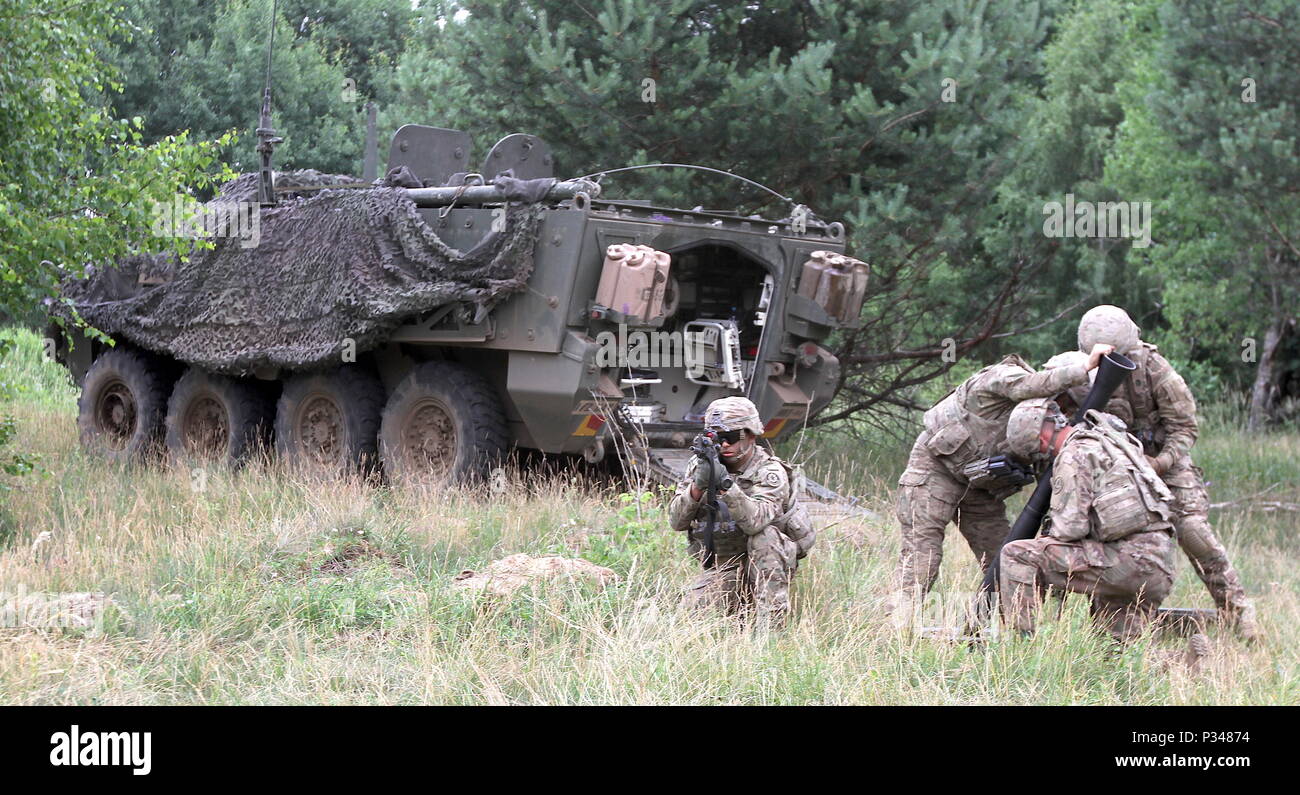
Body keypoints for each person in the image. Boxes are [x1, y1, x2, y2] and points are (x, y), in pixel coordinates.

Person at [885, 342, 1115, 623]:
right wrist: (1084, 368)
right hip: (936, 470)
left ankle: (1002, 637)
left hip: (981, 489)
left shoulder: (1048, 421)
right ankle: (897, 632)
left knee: (1007, 562)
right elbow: (1029, 386)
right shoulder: (1005, 378)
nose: (1063, 411)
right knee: (923, 558)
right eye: (1065, 401)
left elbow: (1053, 480)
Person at [1074, 305, 1258, 640]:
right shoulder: (1076, 370)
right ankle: (1110, 621)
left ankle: (1237, 609)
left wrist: (1158, 464)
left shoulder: (1154, 369)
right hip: (1112, 470)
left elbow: (1184, 428)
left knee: (1192, 529)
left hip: (1164, 463)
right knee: (1106, 536)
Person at [998, 398, 1177, 642]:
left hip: (1126, 562)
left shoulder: (1074, 454)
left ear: (1040, 441)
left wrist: (1046, 539)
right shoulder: (1111, 442)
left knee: (1017, 555)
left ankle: (1021, 648)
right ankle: (1187, 663)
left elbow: (1070, 528)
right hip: (1157, 565)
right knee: (1116, 659)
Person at [667, 396, 814, 627]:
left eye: (731, 438)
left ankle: (771, 627)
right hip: (725, 566)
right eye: (716, 438)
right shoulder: (699, 465)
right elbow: (676, 522)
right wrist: (697, 486)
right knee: (686, 621)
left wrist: (725, 485)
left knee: (764, 537)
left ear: (751, 435)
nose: (723, 445)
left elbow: (755, 522)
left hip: (767, 566)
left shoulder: (769, 471)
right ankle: (739, 608)